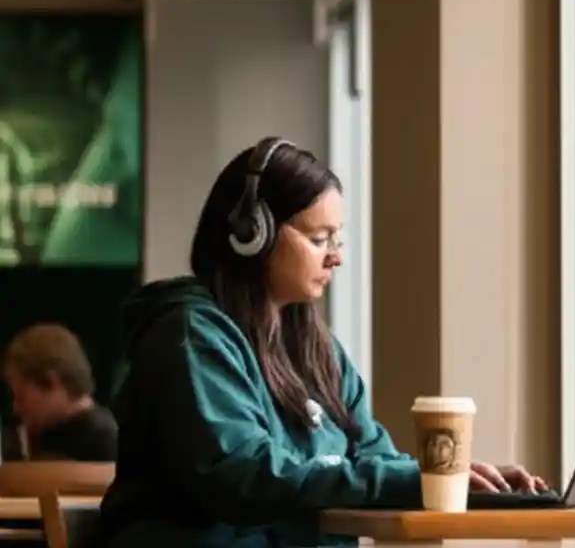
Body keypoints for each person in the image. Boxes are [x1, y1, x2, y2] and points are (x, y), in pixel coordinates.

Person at [97, 138, 546, 547]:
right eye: (318, 239)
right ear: (252, 234)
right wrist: (412, 479)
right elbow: (243, 477)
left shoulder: (316, 349)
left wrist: (449, 479)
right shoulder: (190, 337)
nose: (336, 256)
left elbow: (372, 456)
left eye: (338, 239)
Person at [3, 323, 117, 461]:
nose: (15, 408)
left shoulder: (108, 444)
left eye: (21, 397)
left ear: (50, 381)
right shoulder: (39, 434)